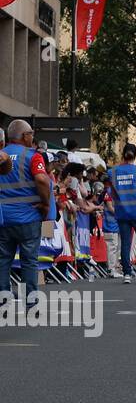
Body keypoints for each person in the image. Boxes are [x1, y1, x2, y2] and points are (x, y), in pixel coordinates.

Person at [0, 120, 51, 306]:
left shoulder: (2, 155)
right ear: (24, 136)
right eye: (31, 133)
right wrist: (45, 204)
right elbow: (42, 180)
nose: (33, 136)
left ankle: (3, 299)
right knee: (29, 261)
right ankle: (31, 301)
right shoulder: (32, 156)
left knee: (3, 260)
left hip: (3, 218)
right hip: (28, 217)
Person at [106, 143, 136, 284]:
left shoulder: (112, 172)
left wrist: (119, 204)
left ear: (123, 154)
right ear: (135, 154)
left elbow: (113, 193)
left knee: (125, 243)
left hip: (122, 211)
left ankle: (127, 274)